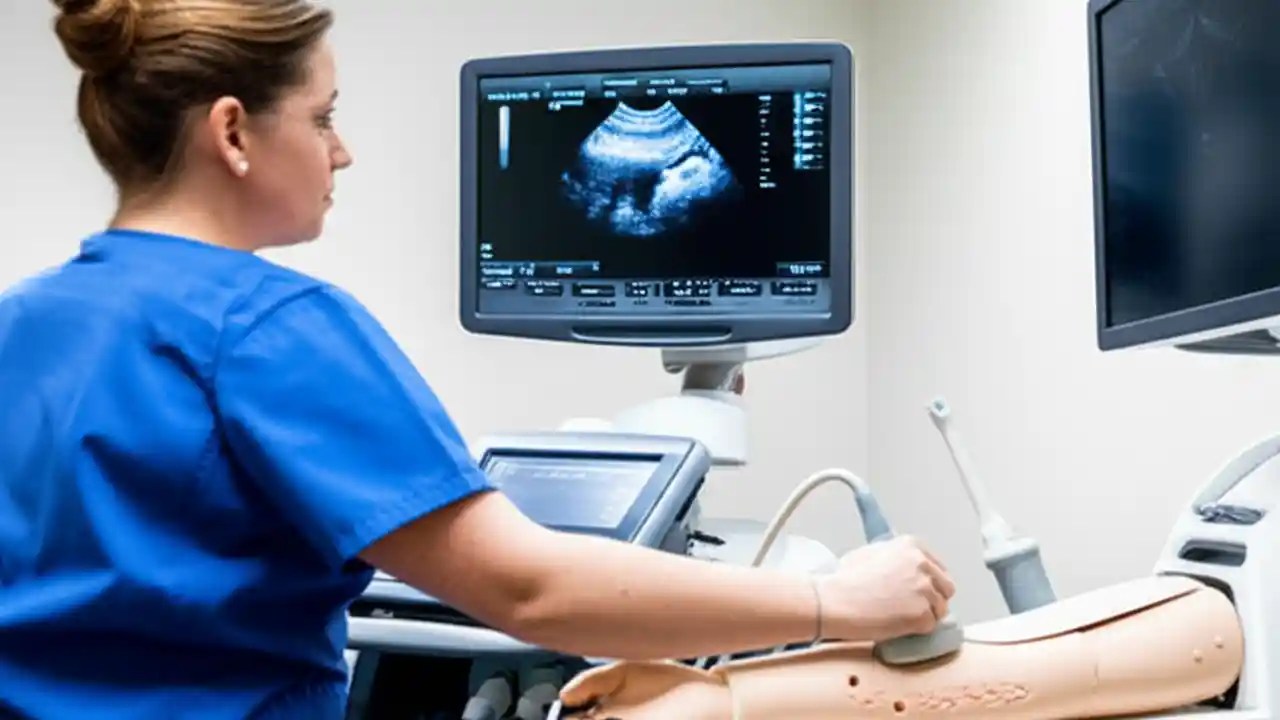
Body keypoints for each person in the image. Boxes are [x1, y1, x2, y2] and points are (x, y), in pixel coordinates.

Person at [0, 2, 955, 718]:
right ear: (234, 132)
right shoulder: (267, 326)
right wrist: (834, 600)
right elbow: (529, 589)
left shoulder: (23, 320)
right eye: (324, 118)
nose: (343, 153)